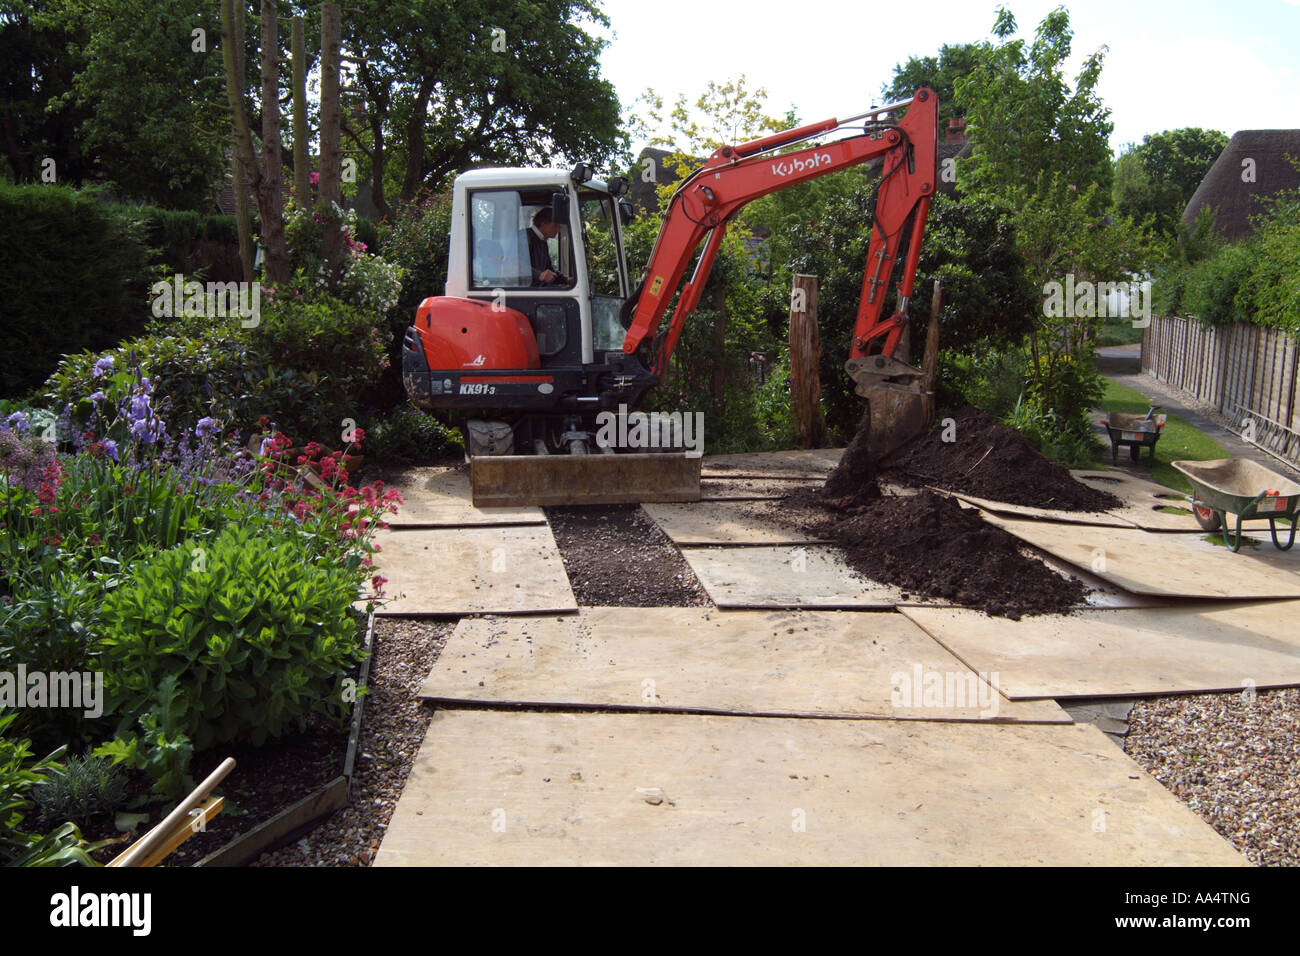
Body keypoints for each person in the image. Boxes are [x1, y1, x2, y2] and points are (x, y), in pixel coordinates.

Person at [527, 208, 569, 286]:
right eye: (555, 225)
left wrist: (566, 280)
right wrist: (539, 275)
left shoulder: (542, 241)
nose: (558, 230)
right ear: (543, 225)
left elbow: (549, 269)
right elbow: (515, 266)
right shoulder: (525, 237)